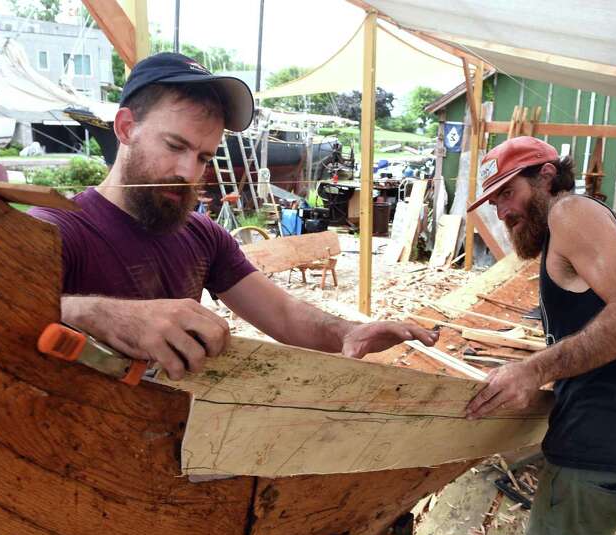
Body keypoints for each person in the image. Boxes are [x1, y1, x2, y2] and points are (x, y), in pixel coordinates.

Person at [28, 52, 437, 379]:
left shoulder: (201, 234)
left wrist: (349, 332)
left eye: (204, 157)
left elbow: (282, 313)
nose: (189, 172)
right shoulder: (54, 228)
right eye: (174, 145)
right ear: (125, 128)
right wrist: (101, 314)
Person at [464, 137, 616, 535]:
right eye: (494, 201)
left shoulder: (570, 213)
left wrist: (534, 369)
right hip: (609, 432)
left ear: (546, 177)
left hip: (601, 436)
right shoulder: (564, 229)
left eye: (508, 194)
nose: (503, 211)